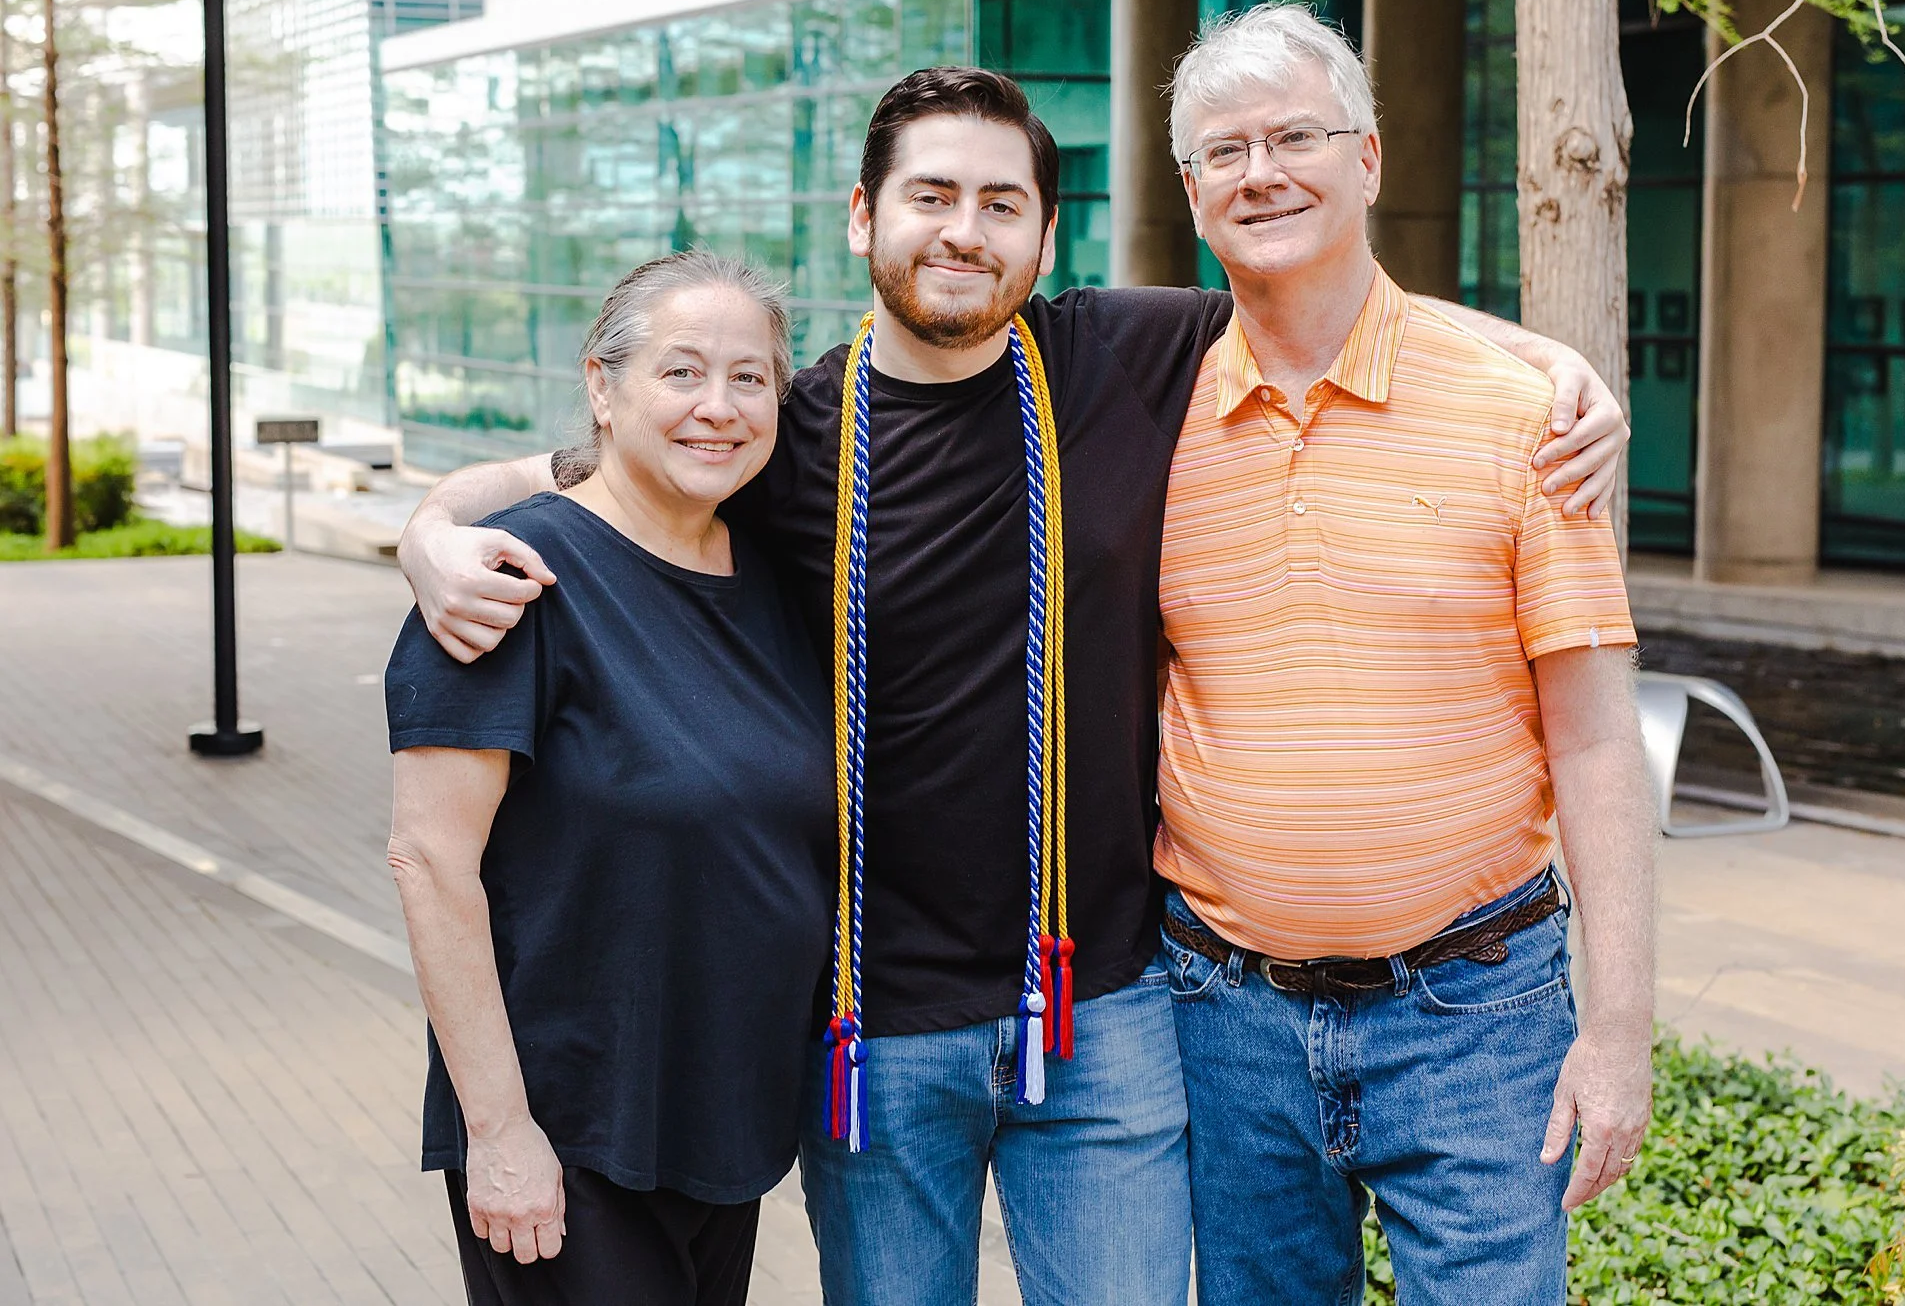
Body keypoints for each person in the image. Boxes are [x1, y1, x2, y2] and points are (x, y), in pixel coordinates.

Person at [392, 67, 1631, 1306]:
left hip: (1108, 1016)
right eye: (930, 195)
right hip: (872, 1030)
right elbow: (602, 467)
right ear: (861, 215)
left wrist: (1553, 366)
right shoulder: (782, 432)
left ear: (1045, 231)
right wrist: (431, 524)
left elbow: (1327, 302)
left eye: (1001, 202)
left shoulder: (1120, 356)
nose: (963, 230)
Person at [1152, 5, 1656, 1306]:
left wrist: (1620, 1027)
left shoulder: (1522, 415)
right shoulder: (1143, 419)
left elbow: (1597, 735)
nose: (1261, 170)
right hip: (1223, 1013)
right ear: (1192, 190)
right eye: (1225, 150)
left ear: (1368, 158)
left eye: (1295, 136)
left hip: (1476, 1012)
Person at [383, 251, 831, 1306]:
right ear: (602, 386)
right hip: (566, 1132)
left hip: (716, 1125)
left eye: (748, 378)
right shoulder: (513, 578)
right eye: (679, 373)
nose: (715, 408)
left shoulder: (767, 576)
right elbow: (428, 860)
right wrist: (497, 1134)